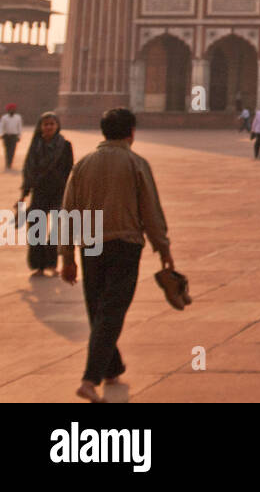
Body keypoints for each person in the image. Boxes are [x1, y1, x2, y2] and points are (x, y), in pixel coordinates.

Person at [60, 108, 173, 404]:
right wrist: (163, 248)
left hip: (91, 243)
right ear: (131, 132)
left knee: (98, 308)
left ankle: (112, 367)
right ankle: (89, 379)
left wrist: (67, 257)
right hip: (124, 243)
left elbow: (68, 212)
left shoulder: (83, 164)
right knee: (111, 311)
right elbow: (151, 210)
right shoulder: (135, 163)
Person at [17, 112, 74, 276]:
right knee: (36, 229)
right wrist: (24, 192)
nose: (48, 127)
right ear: (40, 127)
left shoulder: (65, 145)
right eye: (45, 124)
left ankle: (51, 263)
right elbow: (29, 169)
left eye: (51, 124)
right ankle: (38, 265)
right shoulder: (36, 145)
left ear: (57, 126)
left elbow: (69, 169)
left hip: (59, 192)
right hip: (39, 191)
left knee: (55, 229)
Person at [2, 103, 22, 170]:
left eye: (13, 109)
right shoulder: (4, 117)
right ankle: (8, 163)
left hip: (14, 136)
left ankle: (10, 163)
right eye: (10, 109)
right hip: (6, 136)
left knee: (12, 150)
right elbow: (1, 126)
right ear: (8, 110)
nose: (11, 110)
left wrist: (19, 135)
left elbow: (19, 127)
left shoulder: (18, 117)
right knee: (7, 150)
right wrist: (1, 134)